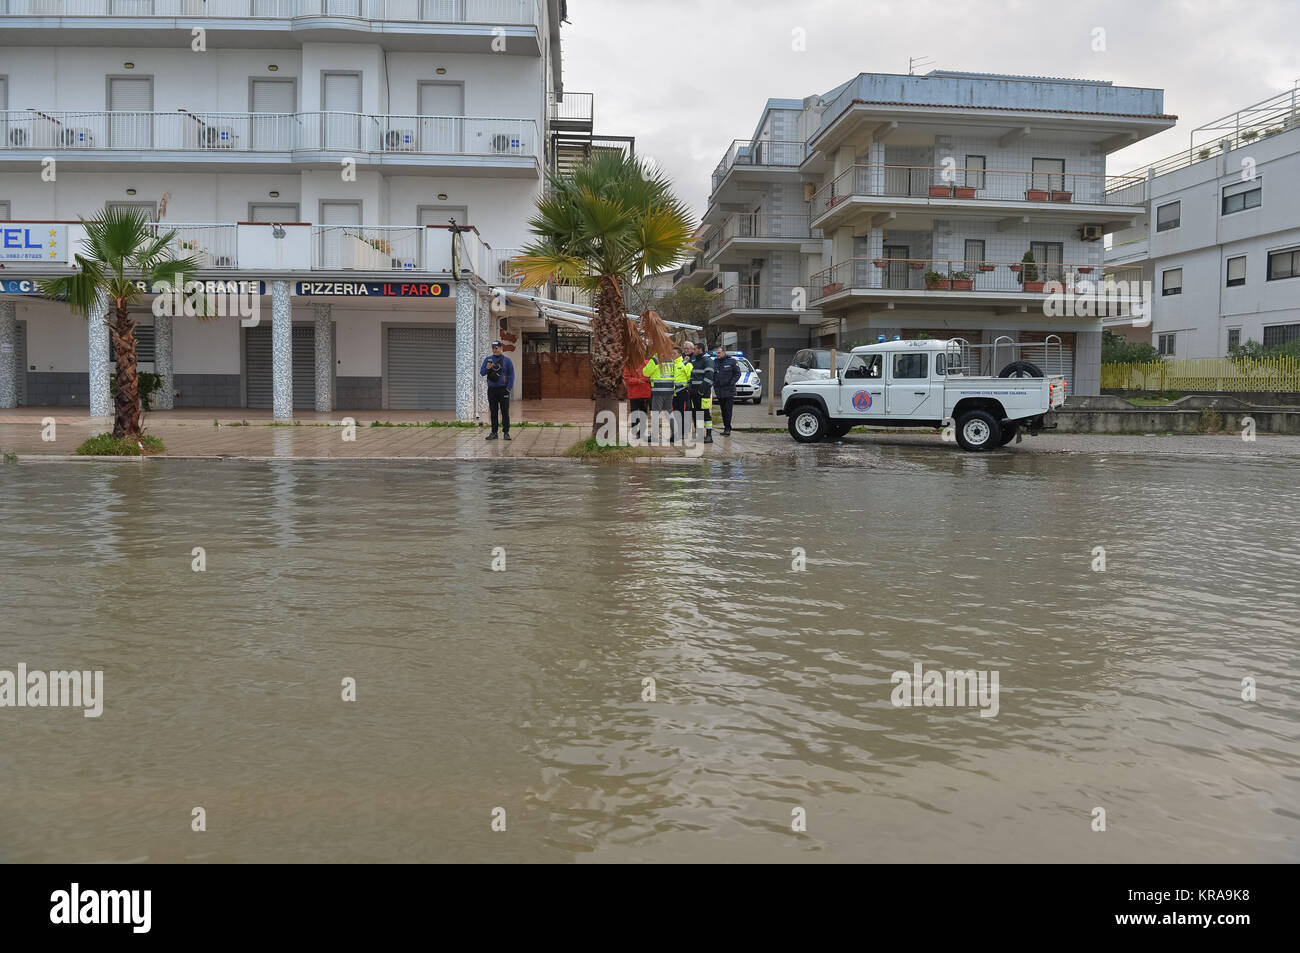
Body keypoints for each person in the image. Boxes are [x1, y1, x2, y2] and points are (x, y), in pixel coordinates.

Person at [623, 321, 652, 441]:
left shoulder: (648, 363)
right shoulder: (629, 364)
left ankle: (643, 432)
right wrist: (637, 380)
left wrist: (643, 380)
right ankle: (635, 432)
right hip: (634, 394)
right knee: (635, 414)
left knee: (644, 414)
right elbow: (626, 378)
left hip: (645, 393)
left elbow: (652, 376)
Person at [480, 341, 515, 440]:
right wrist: (487, 368)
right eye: (493, 348)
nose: (495, 350)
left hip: (503, 389)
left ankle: (506, 432)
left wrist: (509, 387)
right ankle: (494, 432)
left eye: (497, 348)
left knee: (505, 412)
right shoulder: (488, 360)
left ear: (501, 348)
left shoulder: (507, 360)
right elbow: (482, 373)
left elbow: (511, 374)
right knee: (493, 412)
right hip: (492, 390)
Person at [686, 342, 715, 443]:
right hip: (694, 393)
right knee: (696, 413)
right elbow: (691, 376)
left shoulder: (707, 360)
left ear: (700, 349)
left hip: (703, 393)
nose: (693, 351)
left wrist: (700, 390)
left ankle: (709, 436)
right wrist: (691, 389)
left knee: (705, 414)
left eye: (694, 349)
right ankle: (699, 436)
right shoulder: (695, 360)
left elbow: (709, 377)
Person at [713, 345, 741, 437]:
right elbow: (713, 374)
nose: (717, 354)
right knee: (723, 411)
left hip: (729, 391)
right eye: (717, 353)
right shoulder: (715, 362)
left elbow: (737, 373)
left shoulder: (732, 361)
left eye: (719, 353)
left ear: (724, 352)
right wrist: (714, 383)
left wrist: (732, 382)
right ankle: (726, 427)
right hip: (719, 391)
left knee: (728, 411)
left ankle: (727, 428)